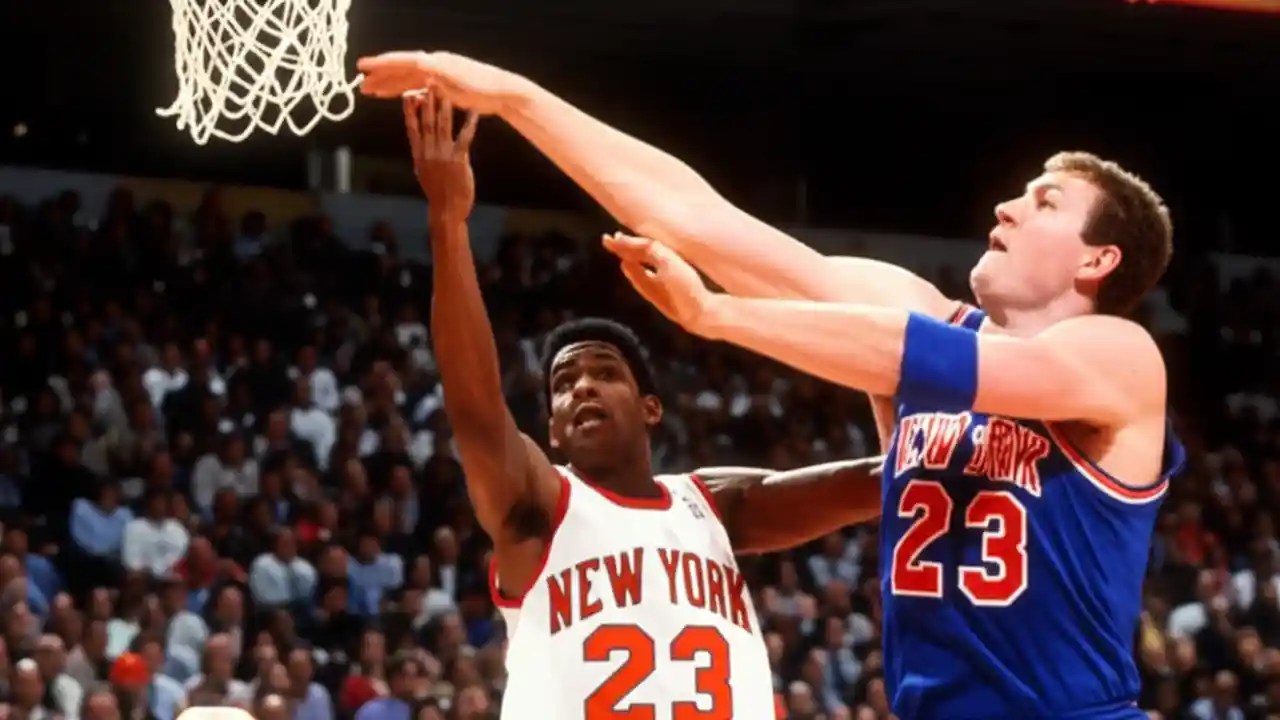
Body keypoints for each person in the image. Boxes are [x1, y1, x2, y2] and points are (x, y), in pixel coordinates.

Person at [359, 53, 1184, 719]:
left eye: (1042, 202)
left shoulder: (1118, 356)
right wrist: (519, 98)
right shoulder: (925, 316)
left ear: (1096, 260)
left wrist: (718, 315)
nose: (1005, 207)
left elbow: (930, 363)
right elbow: (698, 219)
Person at [402, 91, 883, 719]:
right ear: (550, 429)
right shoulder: (538, 504)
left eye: (605, 373)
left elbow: (877, 480)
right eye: (564, 384)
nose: (583, 388)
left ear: (651, 407)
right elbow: (474, 405)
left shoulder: (710, 503)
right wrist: (448, 222)